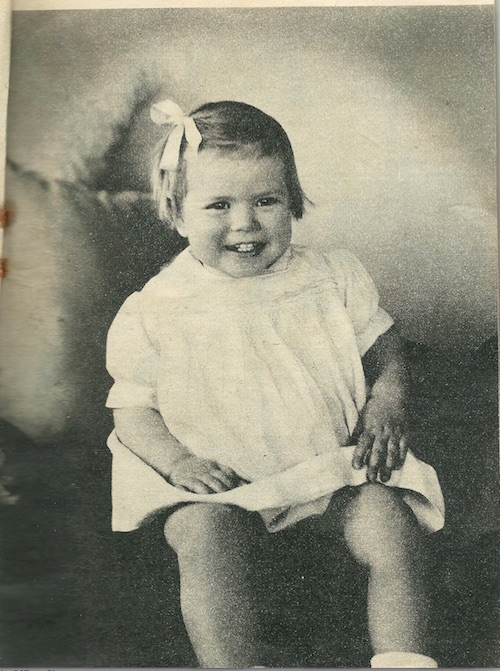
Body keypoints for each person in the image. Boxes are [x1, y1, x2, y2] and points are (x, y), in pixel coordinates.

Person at [105, 99, 444, 668]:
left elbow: (386, 349)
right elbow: (132, 409)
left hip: (328, 469)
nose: (245, 222)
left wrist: (387, 402)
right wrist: (178, 463)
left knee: (390, 523)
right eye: (219, 205)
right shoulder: (154, 308)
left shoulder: (331, 276)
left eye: (266, 201)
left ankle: (404, 658)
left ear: (293, 202)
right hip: (219, 483)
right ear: (178, 214)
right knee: (204, 538)